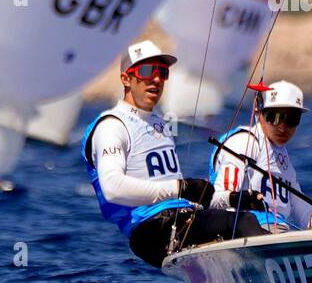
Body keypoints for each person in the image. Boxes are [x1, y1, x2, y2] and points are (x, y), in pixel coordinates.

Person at [82, 40, 268, 268]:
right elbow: (112, 188)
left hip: (177, 221)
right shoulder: (112, 126)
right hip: (151, 230)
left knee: (245, 217)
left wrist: (232, 199)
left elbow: (183, 194)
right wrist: (180, 188)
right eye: (147, 71)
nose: (157, 79)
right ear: (125, 79)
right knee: (244, 223)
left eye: (162, 72)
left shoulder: (158, 124)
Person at [210, 80, 312, 232]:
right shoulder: (244, 142)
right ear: (260, 113)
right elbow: (216, 200)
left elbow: (307, 222)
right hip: (240, 230)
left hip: (275, 234)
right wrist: (241, 200)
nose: (282, 127)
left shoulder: (286, 166)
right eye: (274, 117)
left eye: (292, 119)